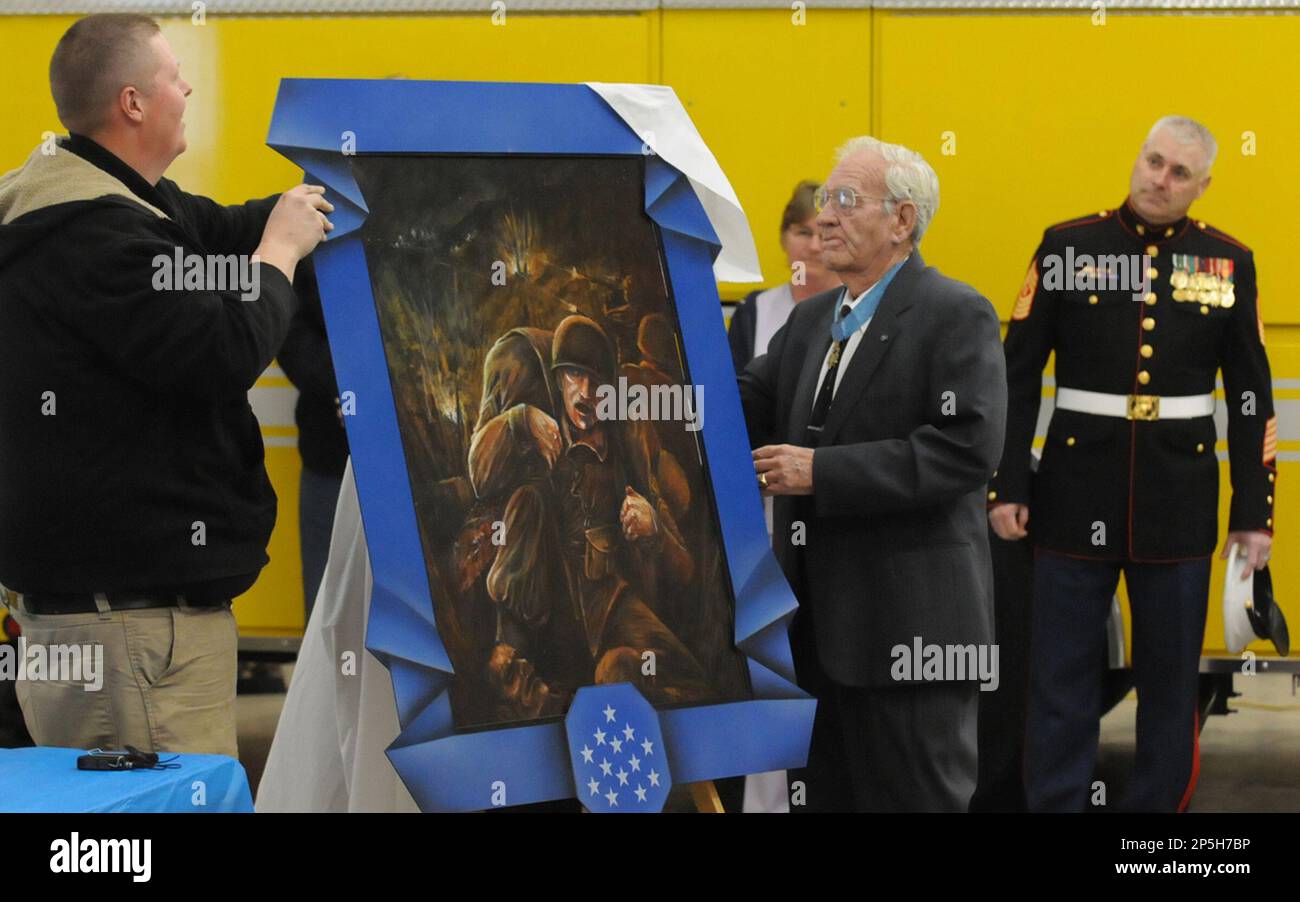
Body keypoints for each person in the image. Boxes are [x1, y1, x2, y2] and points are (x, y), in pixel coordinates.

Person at [0, 14, 331, 757]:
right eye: (172, 76)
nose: (187, 87)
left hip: (128, 636)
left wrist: (331, 198)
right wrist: (278, 254)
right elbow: (226, 349)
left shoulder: (127, 204)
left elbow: (231, 226)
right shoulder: (98, 240)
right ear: (132, 103)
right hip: (134, 645)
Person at [989, 116, 1276, 812]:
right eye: (1153, 162)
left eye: (1180, 173)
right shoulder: (1067, 247)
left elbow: (1249, 396)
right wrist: (1008, 484)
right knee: (1060, 677)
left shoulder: (1227, 261)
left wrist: (1253, 513)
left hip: (1177, 506)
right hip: (1071, 494)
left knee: (1171, 684)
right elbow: (1017, 377)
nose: (1160, 179)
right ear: (1137, 160)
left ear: (1202, 185)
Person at [739, 136, 1006, 811]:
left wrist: (822, 472)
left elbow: (966, 448)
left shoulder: (955, 312)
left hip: (910, 638)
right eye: (825, 200)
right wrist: (648, 376)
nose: (824, 216)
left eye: (846, 201)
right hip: (816, 638)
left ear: (903, 221)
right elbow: (740, 405)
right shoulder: (808, 323)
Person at [277, 260, 350, 621]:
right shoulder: (323, 212)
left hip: (426, 457)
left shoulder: (444, 215)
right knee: (328, 612)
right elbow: (289, 326)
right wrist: (345, 387)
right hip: (330, 458)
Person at [728, 180, 841, 376]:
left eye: (824, 235)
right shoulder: (754, 309)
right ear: (783, 238)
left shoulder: (858, 309)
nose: (814, 247)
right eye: (803, 233)